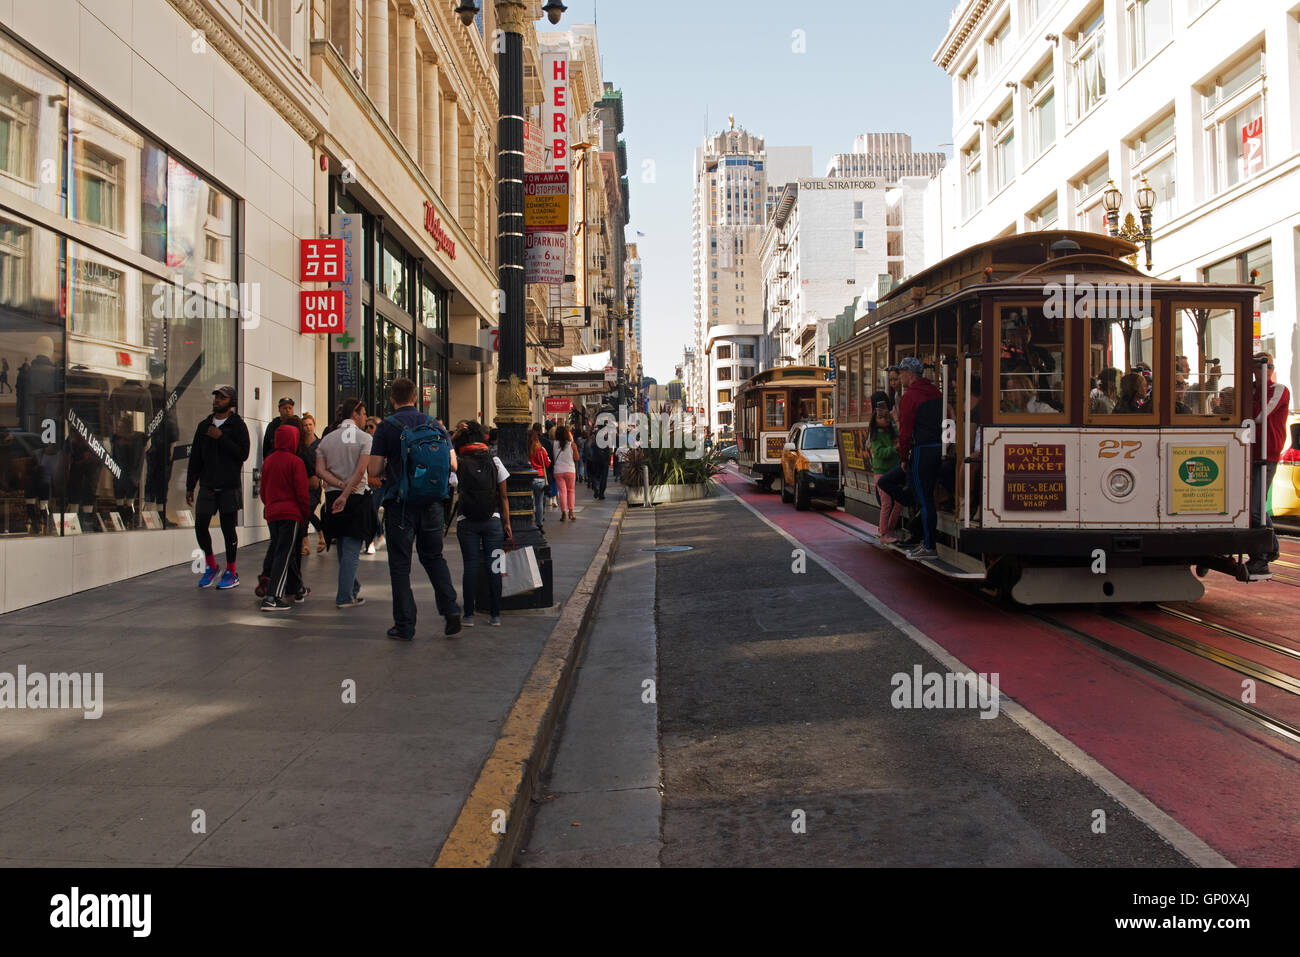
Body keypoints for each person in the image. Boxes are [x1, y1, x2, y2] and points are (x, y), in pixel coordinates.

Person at [367, 377, 461, 639]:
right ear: (416, 397)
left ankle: (405, 625)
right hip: (432, 502)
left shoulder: (386, 427)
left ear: (392, 399)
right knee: (433, 558)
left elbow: (373, 470)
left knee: (400, 565)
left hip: (401, 505)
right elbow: (453, 464)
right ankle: (451, 609)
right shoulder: (434, 425)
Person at [878, 357, 943, 560]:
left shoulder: (910, 397)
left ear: (910, 374)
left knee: (923, 500)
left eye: (902, 372)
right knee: (926, 498)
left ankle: (929, 545)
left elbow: (905, 432)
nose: (900, 376)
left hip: (921, 451)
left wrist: (904, 458)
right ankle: (924, 539)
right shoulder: (936, 393)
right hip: (937, 449)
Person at [186, 385, 251, 589]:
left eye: (222, 398)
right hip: (207, 485)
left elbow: (243, 454)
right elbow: (196, 457)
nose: (217, 400)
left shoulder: (237, 426)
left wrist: (221, 438)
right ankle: (211, 565)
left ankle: (231, 571)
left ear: (230, 402)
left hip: (229, 486)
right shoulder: (204, 426)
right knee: (200, 525)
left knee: (227, 529)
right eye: (216, 397)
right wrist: (190, 485)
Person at [316, 397, 373, 609]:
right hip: (355, 497)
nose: (365, 418)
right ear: (355, 414)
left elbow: (320, 471)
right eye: (364, 413)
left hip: (332, 495)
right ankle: (344, 596)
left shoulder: (327, 439)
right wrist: (346, 492)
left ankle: (351, 588)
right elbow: (360, 472)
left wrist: (339, 486)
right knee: (351, 548)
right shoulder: (364, 438)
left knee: (342, 545)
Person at [454, 421, 511, 626]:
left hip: (466, 520)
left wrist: (456, 437)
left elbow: (452, 483)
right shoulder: (495, 461)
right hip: (493, 521)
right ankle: (495, 614)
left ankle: (468, 614)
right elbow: (503, 496)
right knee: (494, 567)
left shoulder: (460, 462)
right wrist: (507, 522)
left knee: (470, 566)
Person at [258, 419, 311, 611]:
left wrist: (270, 505)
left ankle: (297, 588)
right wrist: (304, 513)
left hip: (272, 512)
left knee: (283, 550)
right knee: (285, 553)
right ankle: (273, 597)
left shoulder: (269, 461)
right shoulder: (296, 462)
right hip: (291, 513)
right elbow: (302, 492)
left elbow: (263, 491)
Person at [1247, 352, 1291, 577]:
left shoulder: (1279, 390)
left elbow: (1258, 416)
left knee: (1255, 508)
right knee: (1249, 508)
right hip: (1246, 452)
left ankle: (1265, 552)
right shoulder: (1250, 389)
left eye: (1267, 366)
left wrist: (1250, 397)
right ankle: (1269, 548)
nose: (1265, 370)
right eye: (1259, 366)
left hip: (1267, 454)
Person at [868, 402, 903, 543]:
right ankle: (883, 533)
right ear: (875, 421)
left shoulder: (892, 431)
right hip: (881, 473)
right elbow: (880, 453)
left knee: (899, 502)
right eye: (881, 418)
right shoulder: (875, 437)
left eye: (887, 417)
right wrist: (894, 449)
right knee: (887, 503)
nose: (885, 420)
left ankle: (889, 529)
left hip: (894, 472)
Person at [299, 412, 325, 555]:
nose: (308, 428)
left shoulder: (320, 444)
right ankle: (308, 542)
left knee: (307, 511)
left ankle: (318, 536)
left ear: (314, 426)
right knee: (304, 513)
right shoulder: (300, 444)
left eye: (310, 425)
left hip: (315, 483)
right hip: (302, 483)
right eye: (305, 425)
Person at [553, 425, 578, 521]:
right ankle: (571, 512)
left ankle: (563, 513)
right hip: (570, 470)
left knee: (562, 492)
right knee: (571, 491)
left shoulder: (554, 444)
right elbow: (577, 458)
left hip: (558, 471)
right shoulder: (571, 444)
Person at [528, 426, 551, 532]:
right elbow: (547, 463)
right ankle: (539, 523)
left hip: (528, 477)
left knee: (529, 501)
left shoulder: (525, 449)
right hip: (540, 477)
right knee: (539, 502)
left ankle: (528, 520)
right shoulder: (541, 449)